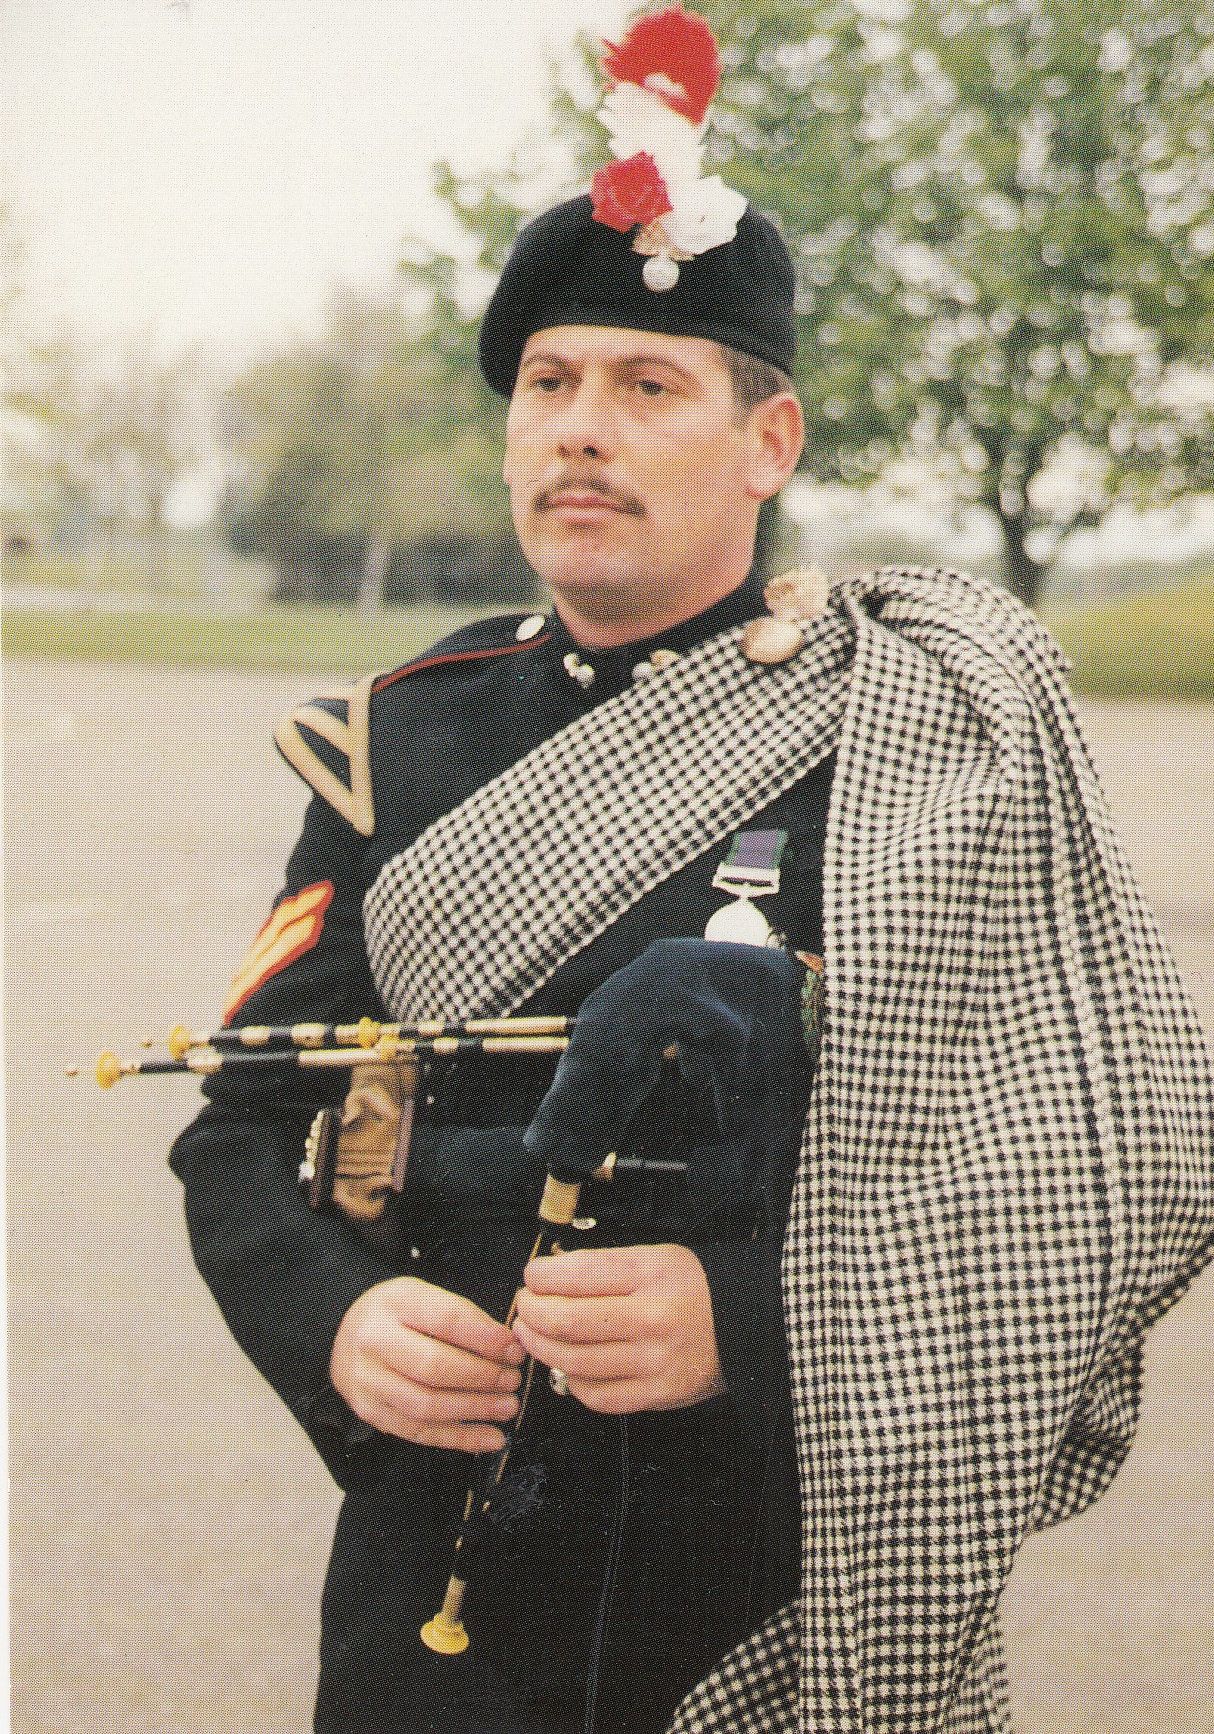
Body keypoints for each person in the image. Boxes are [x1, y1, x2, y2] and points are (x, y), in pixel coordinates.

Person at [170, 10, 1213, 1734]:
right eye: (549, 384)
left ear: (768, 441)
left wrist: (754, 1315)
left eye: (648, 387)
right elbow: (237, 1120)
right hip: (446, 1585)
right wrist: (338, 1322)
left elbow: (1096, 1171)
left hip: (784, 1565)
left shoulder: (910, 734)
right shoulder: (398, 741)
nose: (581, 430)